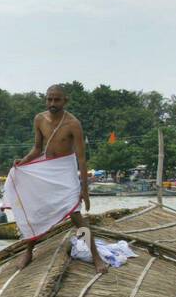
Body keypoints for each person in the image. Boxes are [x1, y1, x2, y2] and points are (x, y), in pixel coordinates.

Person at [10, 85, 106, 274]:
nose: (52, 103)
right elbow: (37, 148)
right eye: (49, 99)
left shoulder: (73, 123)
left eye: (57, 100)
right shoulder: (39, 119)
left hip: (66, 170)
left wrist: (84, 190)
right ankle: (29, 251)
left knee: (76, 216)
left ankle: (96, 257)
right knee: (36, 209)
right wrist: (24, 161)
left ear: (65, 101)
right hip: (47, 168)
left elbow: (81, 158)